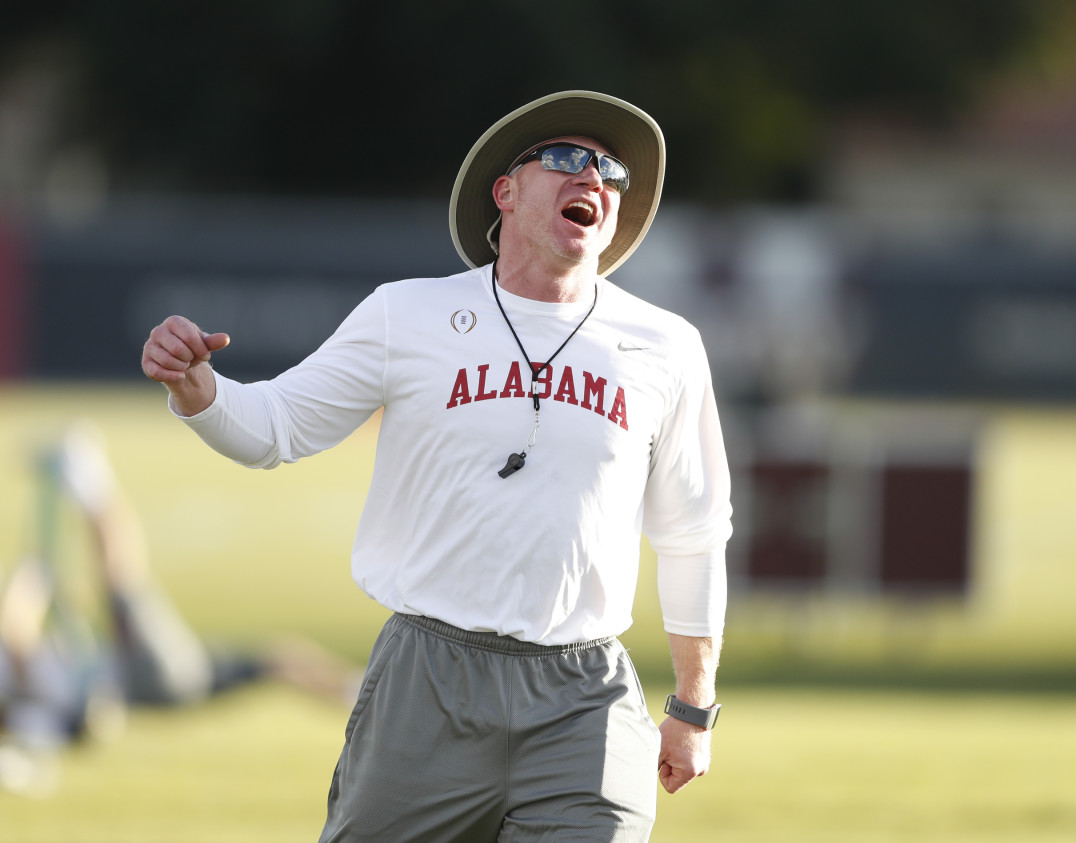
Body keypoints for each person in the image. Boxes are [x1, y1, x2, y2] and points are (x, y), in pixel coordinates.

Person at [140, 90, 733, 841]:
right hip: (428, 681)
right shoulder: (406, 314)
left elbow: (693, 531)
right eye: (564, 158)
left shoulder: (667, 346)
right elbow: (276, 428)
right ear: (505, 191)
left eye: (611, 170)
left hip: (586, 698)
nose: (592, 177)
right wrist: (198, 389)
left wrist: (693, 705)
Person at [0, 423, 360, 794]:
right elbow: (20, 644)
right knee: (120, 581)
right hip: (146, 673)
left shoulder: (33, 711)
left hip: (165, 678)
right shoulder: (26, 698)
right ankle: (86, 473)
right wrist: (29, 587)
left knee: (275, 659)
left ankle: (360, 695)